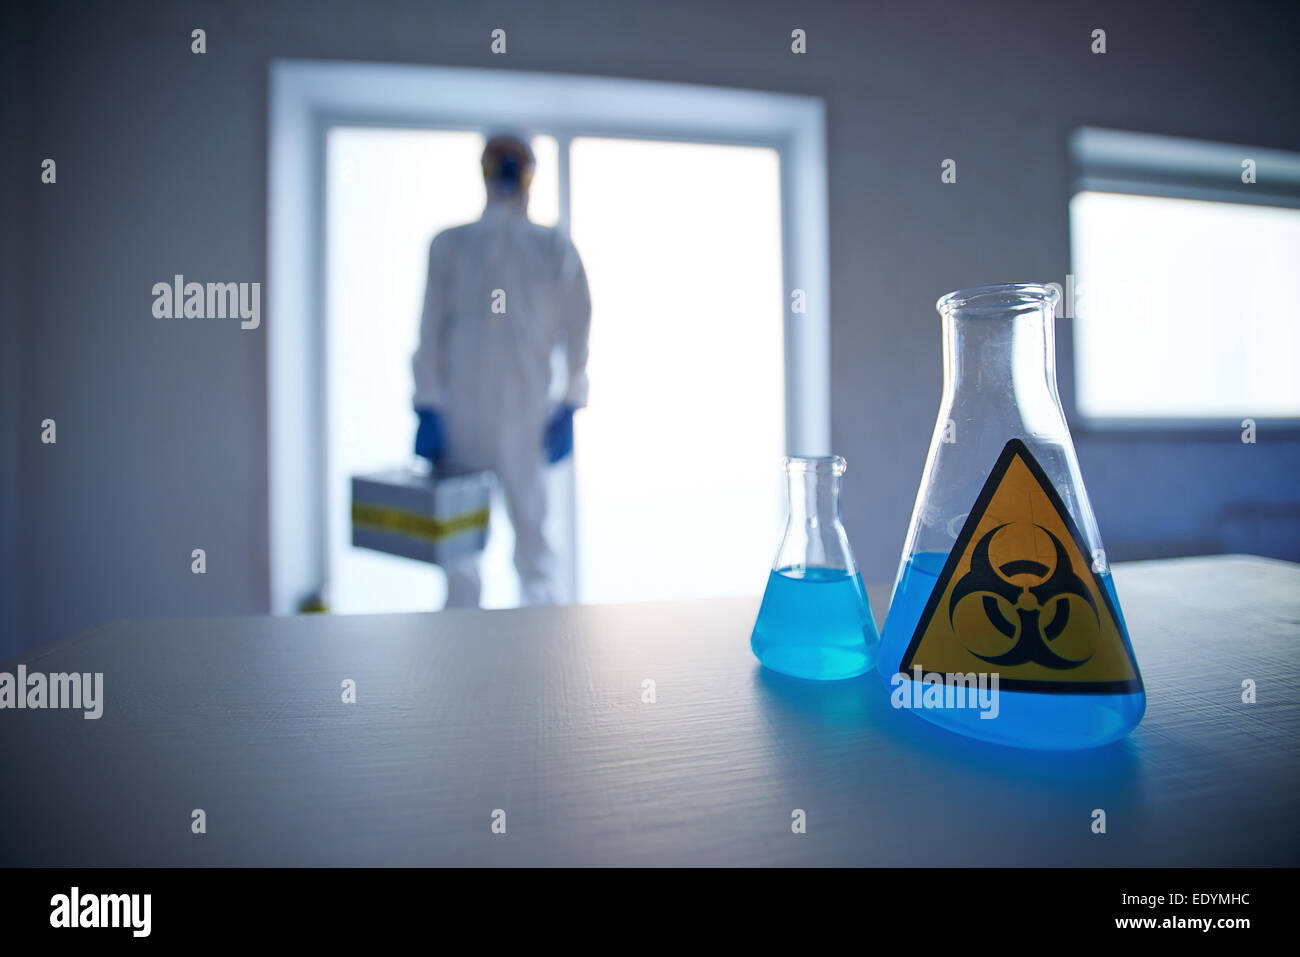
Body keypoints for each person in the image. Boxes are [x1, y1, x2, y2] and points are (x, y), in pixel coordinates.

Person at [412, 133, 591, 608]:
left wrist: (570, 402)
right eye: (498, 159)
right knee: (458, 553)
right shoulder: (451, 245)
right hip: (459, 419)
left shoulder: (553, 247)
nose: (507, 169)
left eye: (517, 160)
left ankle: (544, 661)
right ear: (483, 167)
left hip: (526, 417)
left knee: (534, 548)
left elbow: (579, 327)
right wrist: (426, 404)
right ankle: (458, 660)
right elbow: (430, 328)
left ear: (532, 170)